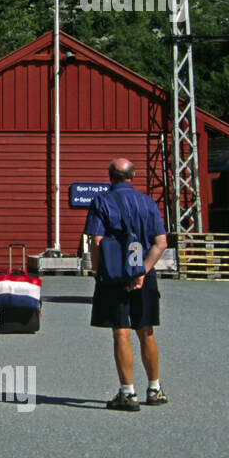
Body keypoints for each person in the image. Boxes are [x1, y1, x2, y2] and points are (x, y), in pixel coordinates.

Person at [85, 158, 169, 411]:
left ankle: (127, 393)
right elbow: (161, 242)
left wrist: (98, 273)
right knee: (146, 330)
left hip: (113, 275)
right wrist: (142, 271)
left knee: (121, 331)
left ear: (110, 176)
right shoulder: (147, 202)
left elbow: (96, 241)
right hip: (144, 273)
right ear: (133, 175)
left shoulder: (101, 201)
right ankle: (154, 389)